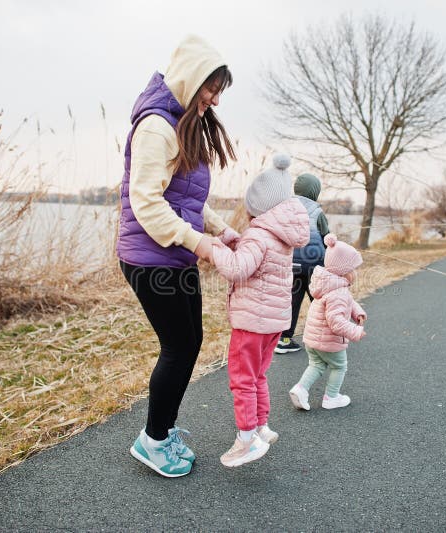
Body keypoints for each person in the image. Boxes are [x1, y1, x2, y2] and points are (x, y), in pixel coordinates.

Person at [118, 35, 241, 478]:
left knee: (189, 343)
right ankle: (152, 441)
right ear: (190, 79)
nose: (215, 98)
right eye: (212, 87)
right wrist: (200, 243)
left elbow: (186, 196)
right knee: (178, 346)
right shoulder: (156, 125)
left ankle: (161, 430)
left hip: (173, 253)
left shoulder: (182, 121)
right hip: (149, 257)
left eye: (220, 90)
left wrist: (221, 230)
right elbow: (147, 202)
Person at [210, 154, 309, 467]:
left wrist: (212, 247)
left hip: (251, 322)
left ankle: (247, 438)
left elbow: (239, 268)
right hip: (274, 321)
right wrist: (231, 240)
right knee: (259, 376)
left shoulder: (257, 235)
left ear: (259, 207)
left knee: (242, 379)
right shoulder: (281, 237)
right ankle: (262, 427)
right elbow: (257, 260)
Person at [288, 234, 366, 411]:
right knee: (340, 366)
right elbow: (336, 321)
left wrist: (357, 312)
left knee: (316, 364)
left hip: (313, 338)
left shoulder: (329, 284)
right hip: (328, 341)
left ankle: (300, 389)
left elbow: (347, 302)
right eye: (354, 269)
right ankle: (331, 397)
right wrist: (355, 331)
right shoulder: (338, 292)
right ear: (343, 271)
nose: (356, 273)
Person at [275, 173, 330, 354]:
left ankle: (284, 340)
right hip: (314, 266)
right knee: (319, 300)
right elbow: (326, 237)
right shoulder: (317, 212)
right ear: (315, 192)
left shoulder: (287, 208)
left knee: (292, 301)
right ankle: (326, 338)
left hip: (292, 264)